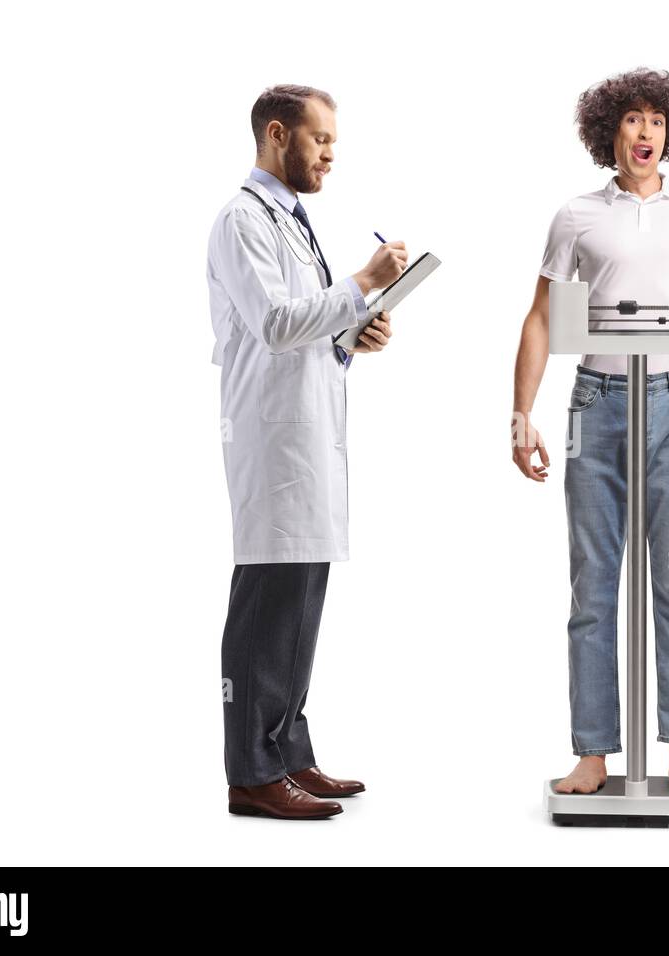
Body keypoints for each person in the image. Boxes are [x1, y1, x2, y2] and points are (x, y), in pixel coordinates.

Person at [511, 67, 669, 795]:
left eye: (657, 120)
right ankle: (593, 752)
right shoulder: (576, 216)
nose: (645, 132)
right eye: (632, 119)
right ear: (610, 132)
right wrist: (520, 411)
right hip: (599, 400)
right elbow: (539, 316)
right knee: (593, 584)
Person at [207, 84, 407, 819]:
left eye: (334, 142)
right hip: (271, 438)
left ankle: (289, 752)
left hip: (310, 434)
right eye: (320, 140)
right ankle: (252, 774)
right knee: (266, 605)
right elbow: (275, 323)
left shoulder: (291, 220)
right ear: (276, 135)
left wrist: (355, 330)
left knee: (301, 601)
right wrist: (362, 282)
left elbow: (311, 329)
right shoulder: (240, 221)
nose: (331, 154)